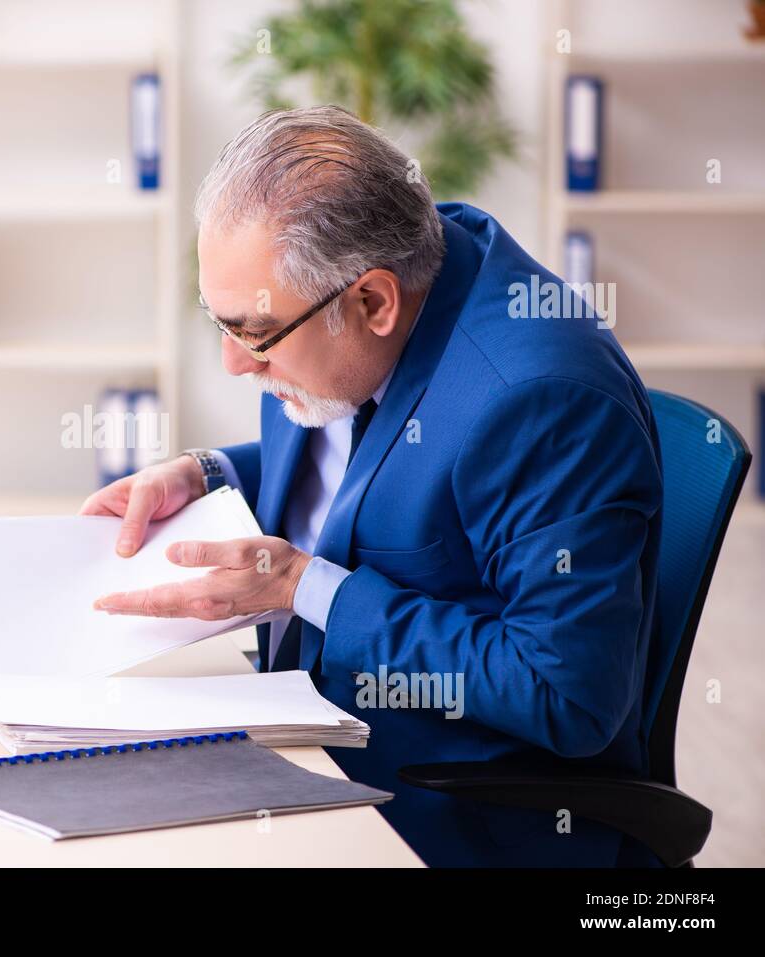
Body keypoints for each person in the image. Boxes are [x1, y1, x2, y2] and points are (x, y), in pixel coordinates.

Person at [85, 106, 663, 867]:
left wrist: (305, 588)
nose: (234, 365)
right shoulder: (373, 288)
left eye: (254, 336)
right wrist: (207, 474)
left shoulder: (542, 402)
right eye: (218, 323)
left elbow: (568, 694)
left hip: (451, 813)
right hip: (306, 733)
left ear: (373, 303)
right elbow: (365, 460)